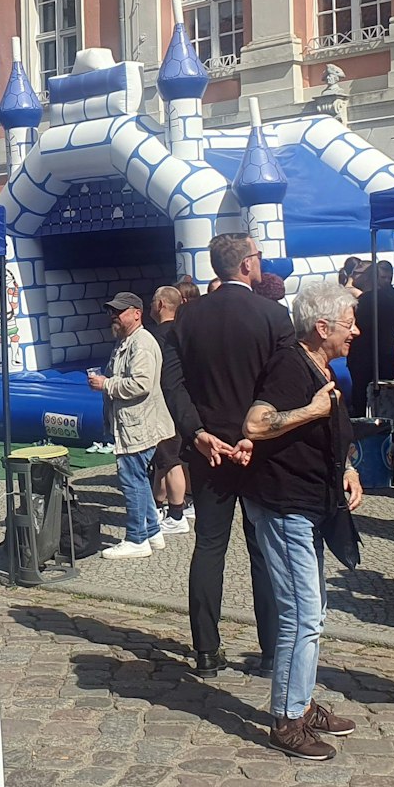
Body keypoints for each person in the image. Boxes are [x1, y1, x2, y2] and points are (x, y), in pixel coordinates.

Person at [240, 281, 364, 759]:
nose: (356, 331)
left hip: (313, 504)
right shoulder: (289, 366)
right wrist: (310, 410)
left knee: (315, 612)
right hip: (284, 505)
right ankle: (287, 719)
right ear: (322, 327)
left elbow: (332, 429)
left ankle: (303, 702)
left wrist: (348, 469)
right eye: (349, 323)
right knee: (301, 615)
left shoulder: (321, 366)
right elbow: (255, 424)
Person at [171, 234, 292, 676]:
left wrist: (197, 433)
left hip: (210, 449)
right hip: (257, 448)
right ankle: (273, 650)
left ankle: (206, 649)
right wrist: (255, 435)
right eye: (257, 256)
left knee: (209, 546)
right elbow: (283, 384)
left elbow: (173, 383)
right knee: (264, 549)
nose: (260, 262)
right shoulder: (273, 314)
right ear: (245, 265)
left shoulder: (188, 315)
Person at [88, 292, 176, 560]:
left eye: (119, 312)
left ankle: (137, 538)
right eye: (112, 312)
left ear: (137, 313)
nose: (114, 316)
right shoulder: (125, 341)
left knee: (131, 480)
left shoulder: (142, 343)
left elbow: (141, 384)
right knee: (137, 478)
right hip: (133, 423)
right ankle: (152, 532)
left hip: (138, 424)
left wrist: (106, 384)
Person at [144, 286, 193, 533]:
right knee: (165, 459)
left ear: (161, 305)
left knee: (171, 460)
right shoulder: (187, 332)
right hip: (186, 402)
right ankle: (158, 506)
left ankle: (176, 515)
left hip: (164, 405)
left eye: (153, 301)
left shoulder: (155, 337)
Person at [349, 262, 394, 414]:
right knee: (386, 398)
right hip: (387, 353)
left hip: (364, 356)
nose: (353, 276)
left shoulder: (366, 301)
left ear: (368, 277)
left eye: (357, 273)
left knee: (363, 398)